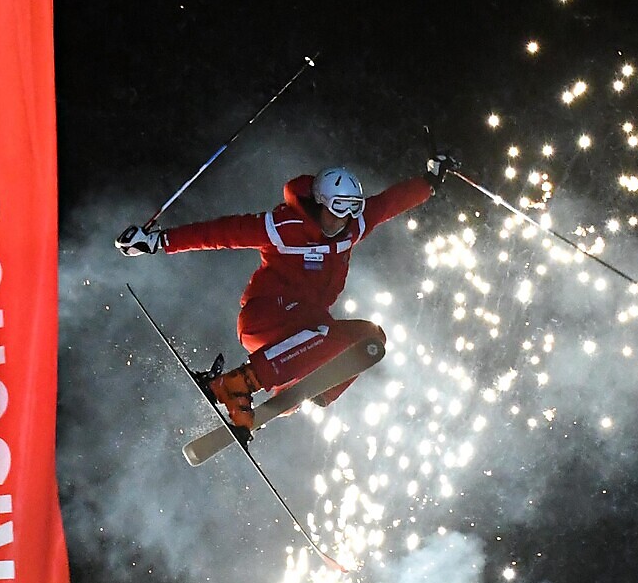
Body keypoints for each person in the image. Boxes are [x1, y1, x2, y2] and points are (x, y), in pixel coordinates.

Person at [116, 150, 455, 430]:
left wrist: (430, 181)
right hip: (267, 316)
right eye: (337, 211)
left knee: (369, 338)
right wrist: (159, 240)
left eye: (351, 212)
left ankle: (310, 388)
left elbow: (391, 202)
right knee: (320, 329)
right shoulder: (284, 227)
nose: (343, 221)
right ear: (320, 203)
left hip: (301, 328)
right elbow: (222, 233)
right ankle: (235, 384)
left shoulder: (354, 227)